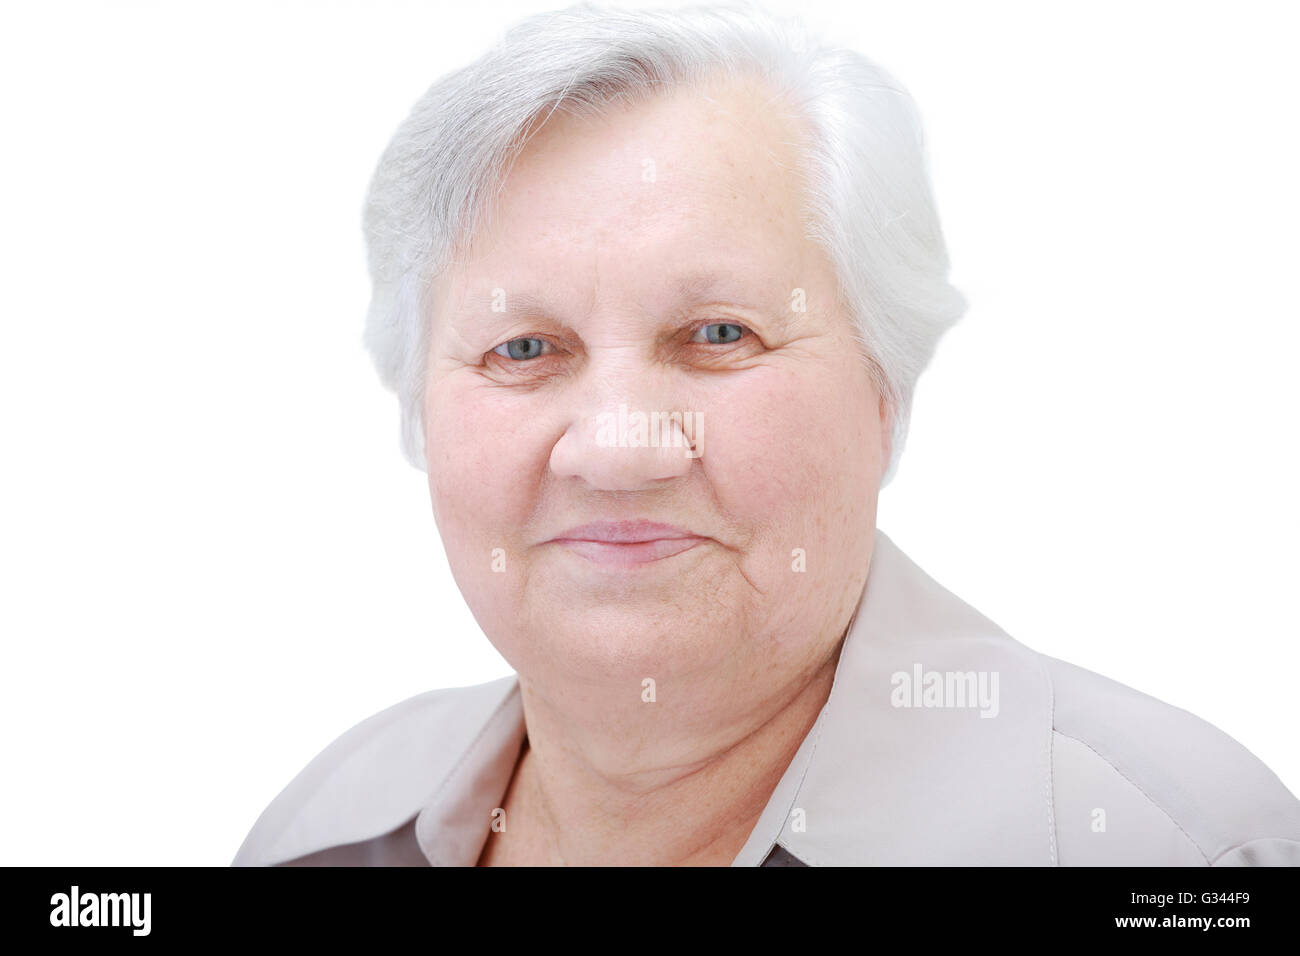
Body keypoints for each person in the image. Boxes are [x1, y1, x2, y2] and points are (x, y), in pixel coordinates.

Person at [233, 2, 1300, 866]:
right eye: (523, 348)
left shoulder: (1179, 851)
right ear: (418, 409)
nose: (615, 447)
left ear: (886, 390)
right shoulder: (321, 830)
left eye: (715, 333)